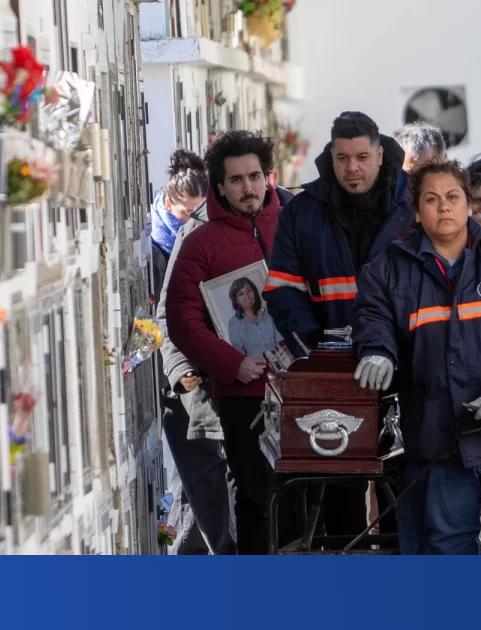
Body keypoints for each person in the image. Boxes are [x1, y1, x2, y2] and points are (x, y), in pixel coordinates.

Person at [351, 160, 481, 555]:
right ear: (415, 212)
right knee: (447, 541)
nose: (443, 207)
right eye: (431, 199)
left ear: (467, 206)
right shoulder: (388, 270)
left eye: (452, 197)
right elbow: (372, 318)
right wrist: (377, 351)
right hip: (441, 432)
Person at [265, 111, 414, 538]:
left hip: (405, 363)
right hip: (330, 367)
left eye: (363, 157)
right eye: (343, 157)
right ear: (331, 156)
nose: (353, 168)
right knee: (338, 480)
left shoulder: (410, 208)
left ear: (380, 154)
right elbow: (282, 287)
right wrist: (315, 346)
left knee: (403, 485)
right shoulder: (304, 211)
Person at [166, 131, 283, 554]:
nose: (248, 188)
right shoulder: (200, 244)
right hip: (243, 395)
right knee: (253, 498)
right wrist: (233, 364)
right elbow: (181, 319)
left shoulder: (294, 223)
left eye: (254, 176)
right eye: (236, 180)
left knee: (304, 497)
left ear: (268, 177)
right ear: (219, 186)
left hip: (301, 388)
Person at [150, 149, 235, 555]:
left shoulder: (210, 236)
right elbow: (162, 313)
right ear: (169, 203)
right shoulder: (154, 242)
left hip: (215, 373)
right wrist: (179, 366)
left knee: (210, 481)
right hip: (179, 379)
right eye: (186, 213)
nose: (191, 220)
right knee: (198, 476)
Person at [150, 149, 209, 292]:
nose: (194, 220)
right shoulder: (153, 250)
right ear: (168, 204)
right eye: (188, 213)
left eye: (200, 211)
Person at [227, 277, 282, 358]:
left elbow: (280, 341)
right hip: (257, 368)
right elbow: (240, 356)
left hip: (281, 360)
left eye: (249, 290)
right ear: (236, 300)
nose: (247, 296)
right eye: (240, 294)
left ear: (254, 292)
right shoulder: (233, 324)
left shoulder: (269, 312)